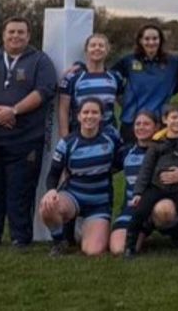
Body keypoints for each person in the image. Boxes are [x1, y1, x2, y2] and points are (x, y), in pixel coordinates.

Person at [0, 16, 58, 249]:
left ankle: (20, 237)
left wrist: (14, 110)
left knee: (21, 190)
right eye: (11, 32)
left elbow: (45, 90)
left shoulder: (40, 60)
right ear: (3, 35)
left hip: (25, 140)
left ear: (28, 36)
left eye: (21, 32)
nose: (16, 36)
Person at [123, 103, 178, 257]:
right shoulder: (157, 143)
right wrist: (138, 192)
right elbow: (146, 169)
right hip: (157, 186)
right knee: (140, 211)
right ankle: (130, 246)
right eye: (173, 117)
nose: (177, 121)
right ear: (165, 120)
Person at [39, 98, 120, 255]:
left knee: (93, 251)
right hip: (73, 195)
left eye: (95, 112)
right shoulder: (67, 142)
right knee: (47, 207)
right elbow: (54, 173)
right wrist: (50, 190)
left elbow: (120, 162)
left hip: (99, 201)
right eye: (86, 112)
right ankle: (59, 241)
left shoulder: (111, 139)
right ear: (78, 116)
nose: (90, 116)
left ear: (101, 116)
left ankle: (88, 228)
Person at [110, 110, 178, 256]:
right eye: (138, 124)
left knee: (165, 211)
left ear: (156, 127)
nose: (141, 127)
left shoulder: (168, 150)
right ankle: (143, 231)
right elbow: (107, 170)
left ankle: (175, 230)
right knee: (118, 249)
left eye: (146, 124)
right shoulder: (126, 152)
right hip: (133, 208)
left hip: (158, 204)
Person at [111, 23, 178, 142]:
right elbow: (108, 76)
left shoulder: (173, 61)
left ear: (160, 40)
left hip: (159, 123)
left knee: (156, 159)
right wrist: (121, 98)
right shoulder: (129, 60)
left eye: (155, 38)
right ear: (140, 40)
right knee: (129, 158)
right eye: (147, 39)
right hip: (132, 121)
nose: (151, 42)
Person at [57, 33, 122, 136]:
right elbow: (63, 109)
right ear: (86, 50)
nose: (97, 48)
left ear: (107, 50)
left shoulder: (115, 77)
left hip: (108, 137)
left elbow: (123, 103)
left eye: (101, 45)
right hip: (79, 136)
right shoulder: (72, 77)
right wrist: (64, 138)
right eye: (93, 45)